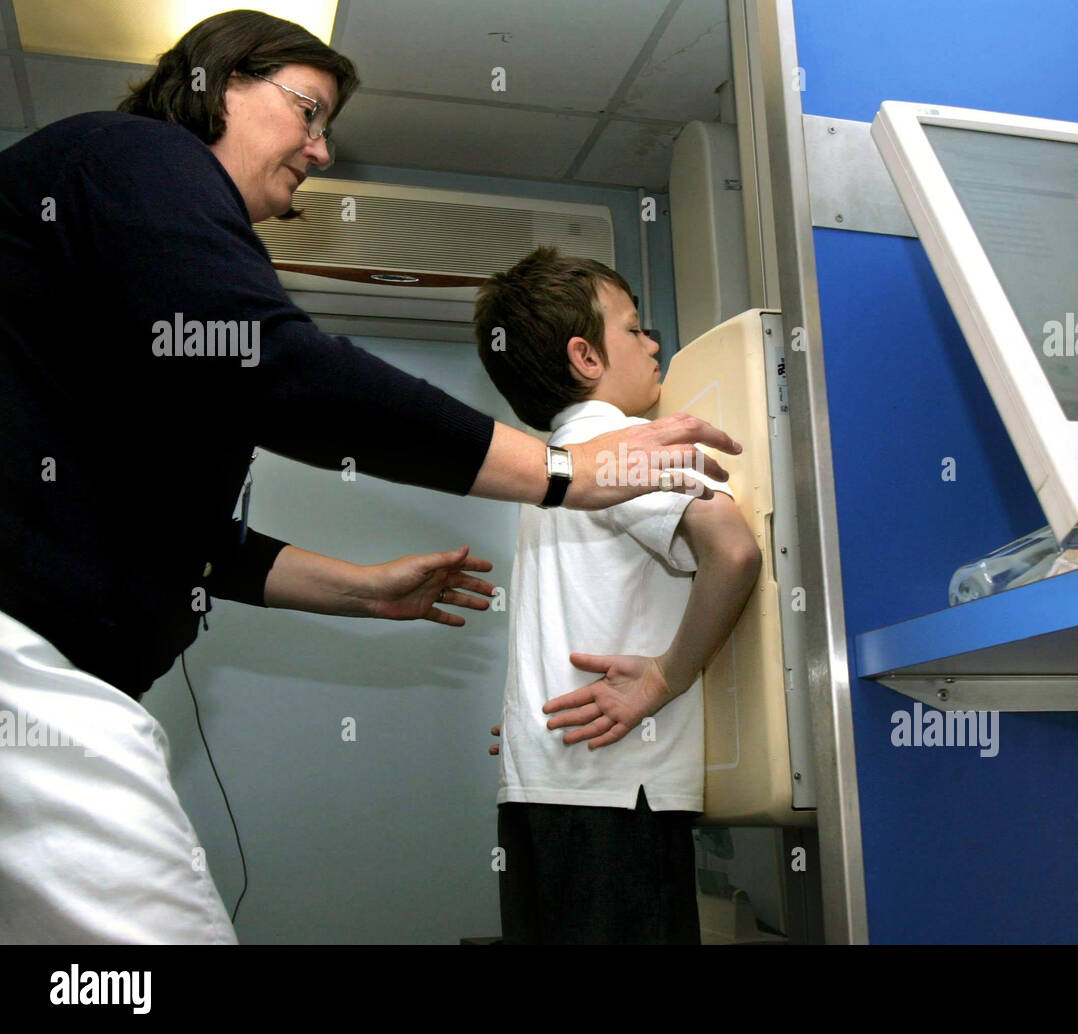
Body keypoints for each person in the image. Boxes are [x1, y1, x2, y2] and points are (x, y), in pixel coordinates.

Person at [0, 10, 742, 945]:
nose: (319, 150)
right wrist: (564, 472)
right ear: (216, 85)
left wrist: (360, 590)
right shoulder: (138, 156)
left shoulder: (112, 257)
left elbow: (188, 542)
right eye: (308, 112)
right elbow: (277, 367)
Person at [475, 247, 761, 944]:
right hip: (610, 799)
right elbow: (734, 551)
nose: (653, 344)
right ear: (586, 357)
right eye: (634, 329)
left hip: (550, 788)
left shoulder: (555, 468)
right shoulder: (619, 442)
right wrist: (664, 677)